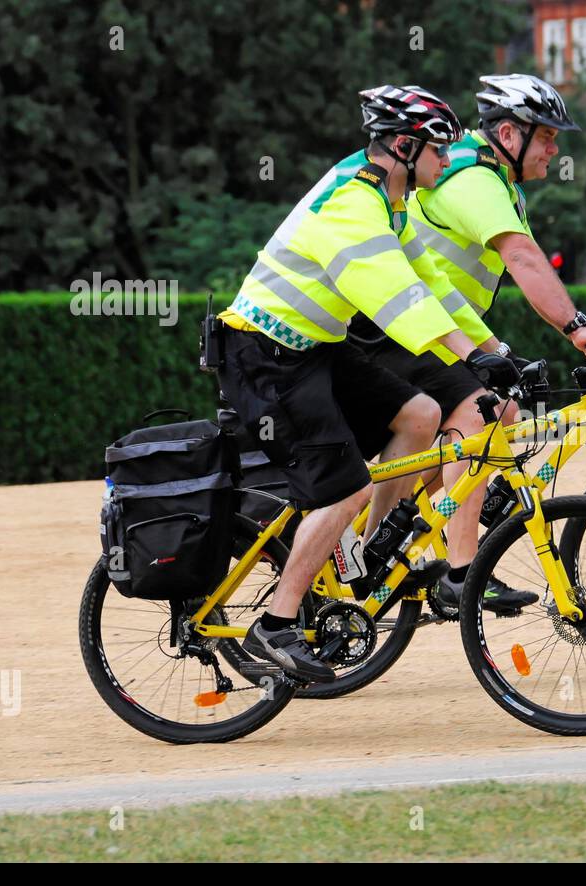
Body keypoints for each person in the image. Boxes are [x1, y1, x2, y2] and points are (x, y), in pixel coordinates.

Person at [215, 84, 520, 682]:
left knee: (421, 415)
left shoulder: (389, 197)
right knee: (343, 489)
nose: (447, 159)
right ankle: (275, 626)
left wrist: (493, 351)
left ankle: (370, 553)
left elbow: (431, 281)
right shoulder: (355, 203)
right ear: (405, 146)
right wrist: (471, 359)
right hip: (264, 354)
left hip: (311, 349)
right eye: (438, 150)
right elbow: (397, 302)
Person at [380, 73, 586, 616]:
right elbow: (524, 259)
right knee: (485, 418)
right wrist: (577, 326)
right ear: (509, 135)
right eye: (548, 137)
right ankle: (461, 575)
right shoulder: (475, 183)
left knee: (500, 414)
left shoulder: (486, 175)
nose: (555, 150)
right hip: (411, 329)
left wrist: (494, 345)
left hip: (435, 327)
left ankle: (422, 533)